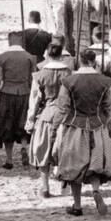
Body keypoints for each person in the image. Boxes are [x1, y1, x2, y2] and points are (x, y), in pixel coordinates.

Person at [53, 49, 111, 217]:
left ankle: (77, 205)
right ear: (94, 61)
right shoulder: (105, 82)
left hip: (75, 127)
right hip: (97, 127)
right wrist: (104, 120)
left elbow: (63, 107)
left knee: (75, 167)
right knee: (95, 164)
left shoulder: (69, 81)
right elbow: (109, 106)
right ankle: (95, 190)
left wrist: (55, 127)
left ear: (79, 61)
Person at [25, 40, 72, 198]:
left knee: (44, 150)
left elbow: (35, 99)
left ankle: (45, 186)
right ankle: (66, 184)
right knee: (66, 150)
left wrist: (30, 120)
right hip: (66, 116)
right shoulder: (69, 73)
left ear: (47, 54)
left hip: (47, 115)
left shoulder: (40, 74)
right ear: (61, 54)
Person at [0, 30, 36, 169]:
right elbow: (34, 79)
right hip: (25, 94)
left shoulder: (2, 57)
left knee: (7, 126)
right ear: (21, 42)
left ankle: (9, 159)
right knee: (23, 123)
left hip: (7, 94)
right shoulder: (30, 58)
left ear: (9, 41)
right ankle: (24, 148)